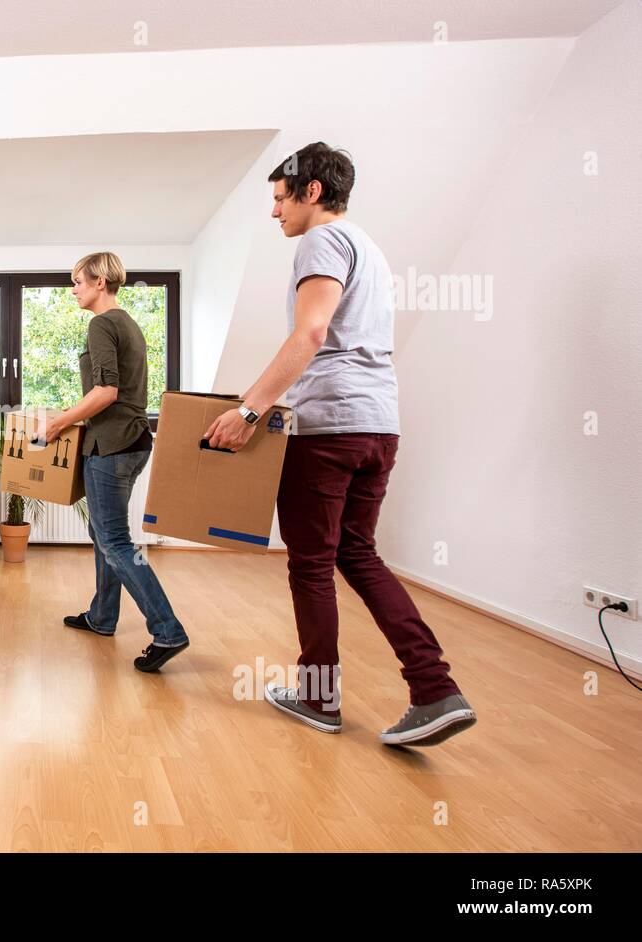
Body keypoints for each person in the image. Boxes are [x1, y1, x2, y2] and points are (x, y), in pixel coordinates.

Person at [204, 143, 476, 746]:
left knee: (311, 564)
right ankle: (435, 688)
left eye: (279, 198)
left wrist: (249, 410)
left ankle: (319, 698)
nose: (275, 212)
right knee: (358, 554)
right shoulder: (369, 248)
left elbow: (312, 331)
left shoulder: (320, 241)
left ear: (312, 192)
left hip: (329, 429)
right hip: (379, 424)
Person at [42, 252, 189, 673]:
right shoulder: (128, 323)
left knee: (115, 541)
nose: (74, 289)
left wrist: (60, 423)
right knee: (103, 532)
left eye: (78, 282)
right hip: (129, 441)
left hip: (113, 446)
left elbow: (106, 392)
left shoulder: (102, 324)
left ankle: (168, 631)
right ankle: (102, 617)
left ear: (101, 281)